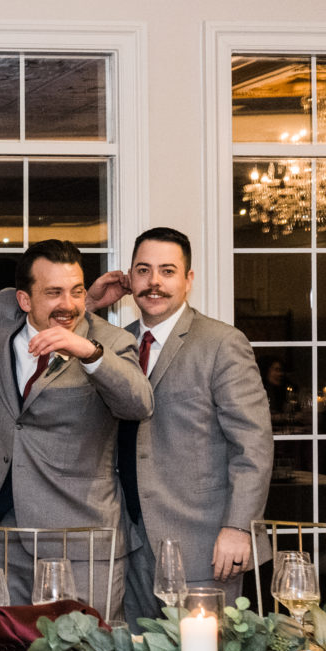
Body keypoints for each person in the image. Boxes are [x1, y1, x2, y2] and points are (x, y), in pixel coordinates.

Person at [0, 239, 151, 620]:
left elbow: (138, 402)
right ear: (24, 300)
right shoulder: (1, 316)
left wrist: (88, 352)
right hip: (6, 536)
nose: (68, 304)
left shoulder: (111, 342)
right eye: (53, 293)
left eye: (76, 291)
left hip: (80, 539)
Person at [92, 229, 273, 626]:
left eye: (167, 271)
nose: (154, 281)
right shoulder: (120, 344)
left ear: (188, 280)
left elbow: (253, 444)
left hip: (205, 545)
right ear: (130, 280)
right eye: (143, 271)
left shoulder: (222, 343)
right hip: (132, 541)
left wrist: (238, 527)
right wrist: (88, 302)